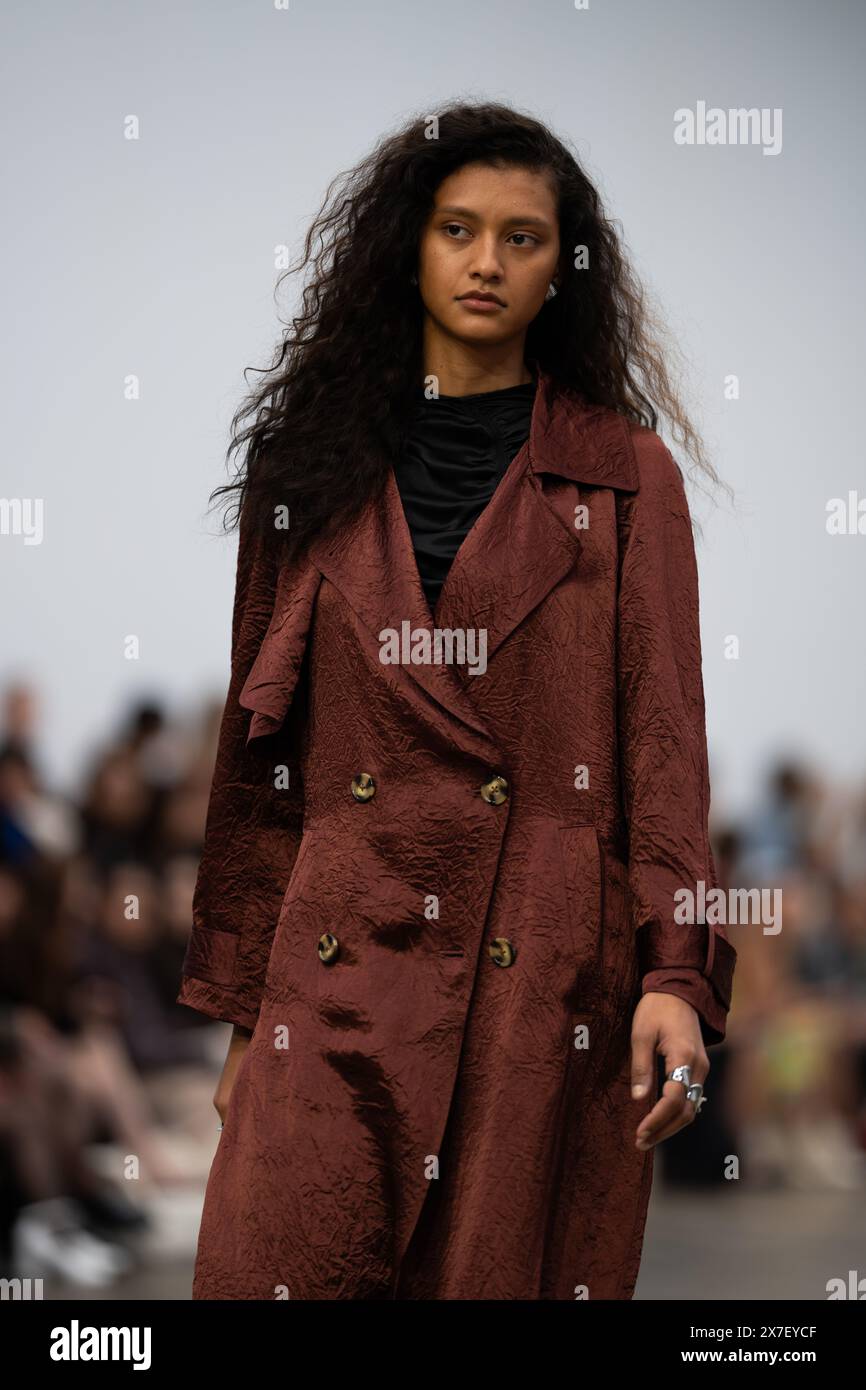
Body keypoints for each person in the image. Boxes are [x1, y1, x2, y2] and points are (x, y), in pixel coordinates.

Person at [177, 100, 737, 1300]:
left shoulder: (623, 476)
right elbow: (259, 762)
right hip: (330, 971)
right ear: (408, 247)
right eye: (458, 229)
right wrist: (240, 1015)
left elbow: (662, 742)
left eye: (522, 238)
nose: (486, 262)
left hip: (531, 970)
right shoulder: (306, 467)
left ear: (561, 270)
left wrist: (675, 976)